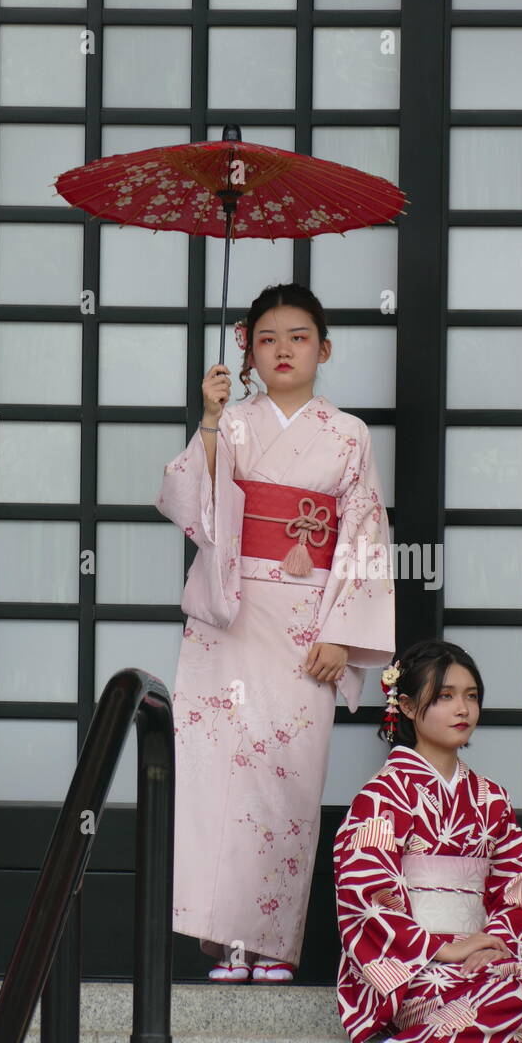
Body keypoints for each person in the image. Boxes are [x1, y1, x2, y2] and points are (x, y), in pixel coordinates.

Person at [156, 281, 395, 984]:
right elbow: (190, 509)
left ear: (324, 348)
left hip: (305, 622)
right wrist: (207, 419)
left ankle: (272, 940)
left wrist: (343, 636)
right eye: (267, 338)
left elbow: (365, 535)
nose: (283, 349)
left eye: (298, 337)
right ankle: (226, 938)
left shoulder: (347, 433)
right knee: (218, 777)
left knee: (287, 782)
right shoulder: (230, 424)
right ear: (246, 351)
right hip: (232, 613)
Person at [333, 639, 522, 1043]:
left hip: (480, 957)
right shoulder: (383, 795)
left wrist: (494, 945)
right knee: (512, 999)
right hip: (416, 967)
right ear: (407, 706)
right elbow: (364, 893)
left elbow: (515, 892)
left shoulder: (491, 798)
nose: (463, 709)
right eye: (445, 697)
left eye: (471, 697)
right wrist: (444, 949)